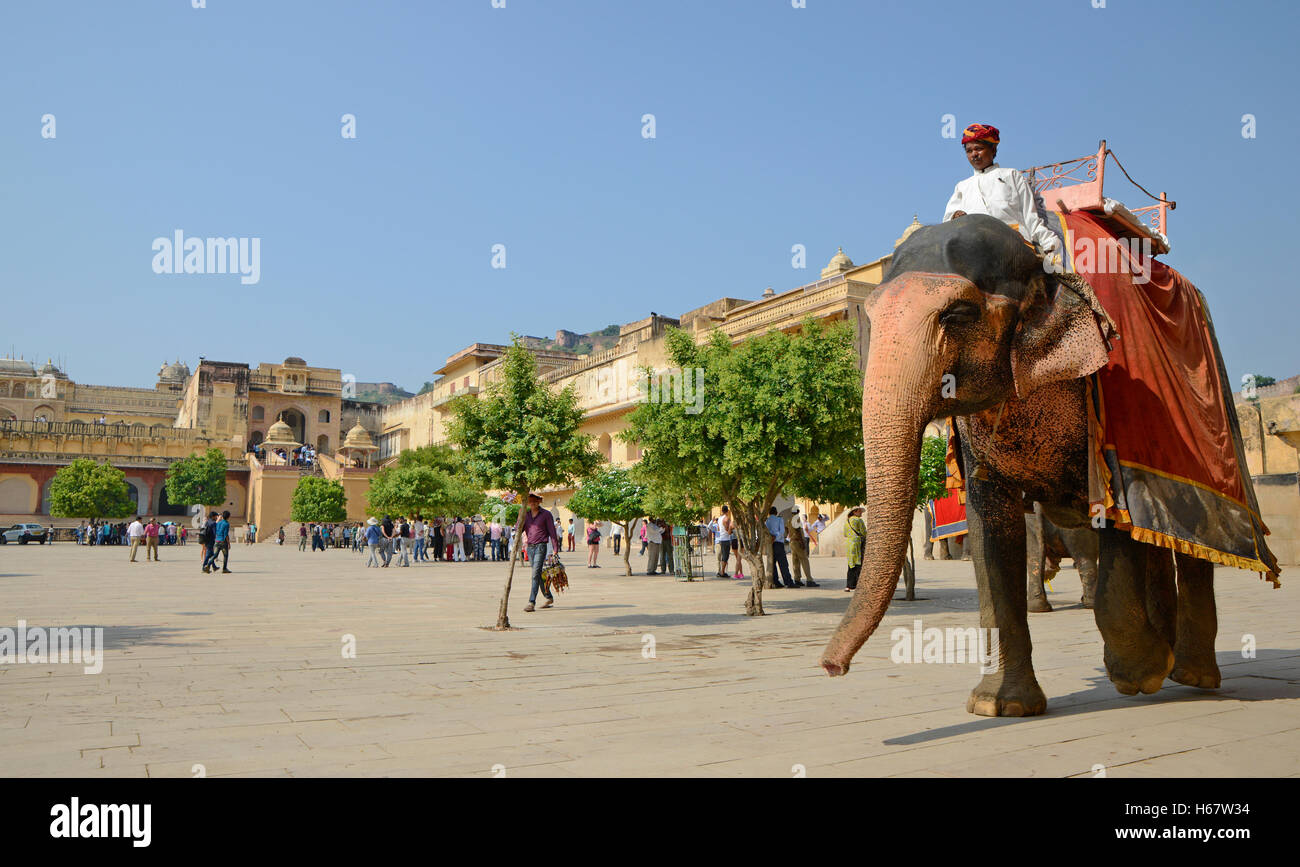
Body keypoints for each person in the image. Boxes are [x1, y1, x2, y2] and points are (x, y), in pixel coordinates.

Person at [943, 122, 1061, 265]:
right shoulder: (962, 186)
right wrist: (955, 215)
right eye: (969, 151)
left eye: (979, 149)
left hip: (1014, 244)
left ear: (993, 150)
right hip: (975, 249)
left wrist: (1049, 244)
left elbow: (1030, 216)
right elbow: (947, 222)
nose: (974, 154)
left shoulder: (1011, 175)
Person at [521, 493, 560, 612]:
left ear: (539, 502)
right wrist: (519, 517)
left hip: (541, 547)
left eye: (535, 501)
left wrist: (555, 549)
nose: (532, 503)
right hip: (530, 548)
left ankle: (531, 602)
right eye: (530, 501)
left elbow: (552, 532)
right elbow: (519, 529)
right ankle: (548, 596)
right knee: (537, 575)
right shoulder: (526, 515)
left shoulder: (546, 514)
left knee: (535, 574)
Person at [765, 506, 795, 588]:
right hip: (778, 543)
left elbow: (766, 532)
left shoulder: (767, 521)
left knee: (773, 564)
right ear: (776, 512)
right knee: (783, 564)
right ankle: (788, 581)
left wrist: (771, 537)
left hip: (770, 544)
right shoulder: (779, 519)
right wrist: (776, 536)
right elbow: (782, 531)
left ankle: (776, 581)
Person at [788, 506, 817, 587]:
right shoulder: (796, 519)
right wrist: (802, 542)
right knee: (804, 560)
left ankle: (797, 579)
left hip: (792, 541)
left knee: (795, 561)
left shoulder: (789, 520)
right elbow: (797, 531)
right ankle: (809, 579)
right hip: (797, 541)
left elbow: (787, 529)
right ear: (798, 511)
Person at [844, 506, 866, 592]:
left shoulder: (847, 521)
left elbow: (845, 534)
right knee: (858, 564)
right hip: (857, 543)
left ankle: (848, 586)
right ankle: (858, 585)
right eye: (860, 511)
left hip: (849, 544)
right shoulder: (858, 520)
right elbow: (864, 532)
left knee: (851, 564)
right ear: (855, 512)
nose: (861, 513)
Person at [715, 506, 733, 578]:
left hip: (721, 538)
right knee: (725, 556)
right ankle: (722, 572)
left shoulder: (719, 519)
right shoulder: (726, 519)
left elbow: (719, 528)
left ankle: (722, 571)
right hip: (726, 539)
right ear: (727, 511)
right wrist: (731, 528)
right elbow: (728, 531)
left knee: (723, 556)